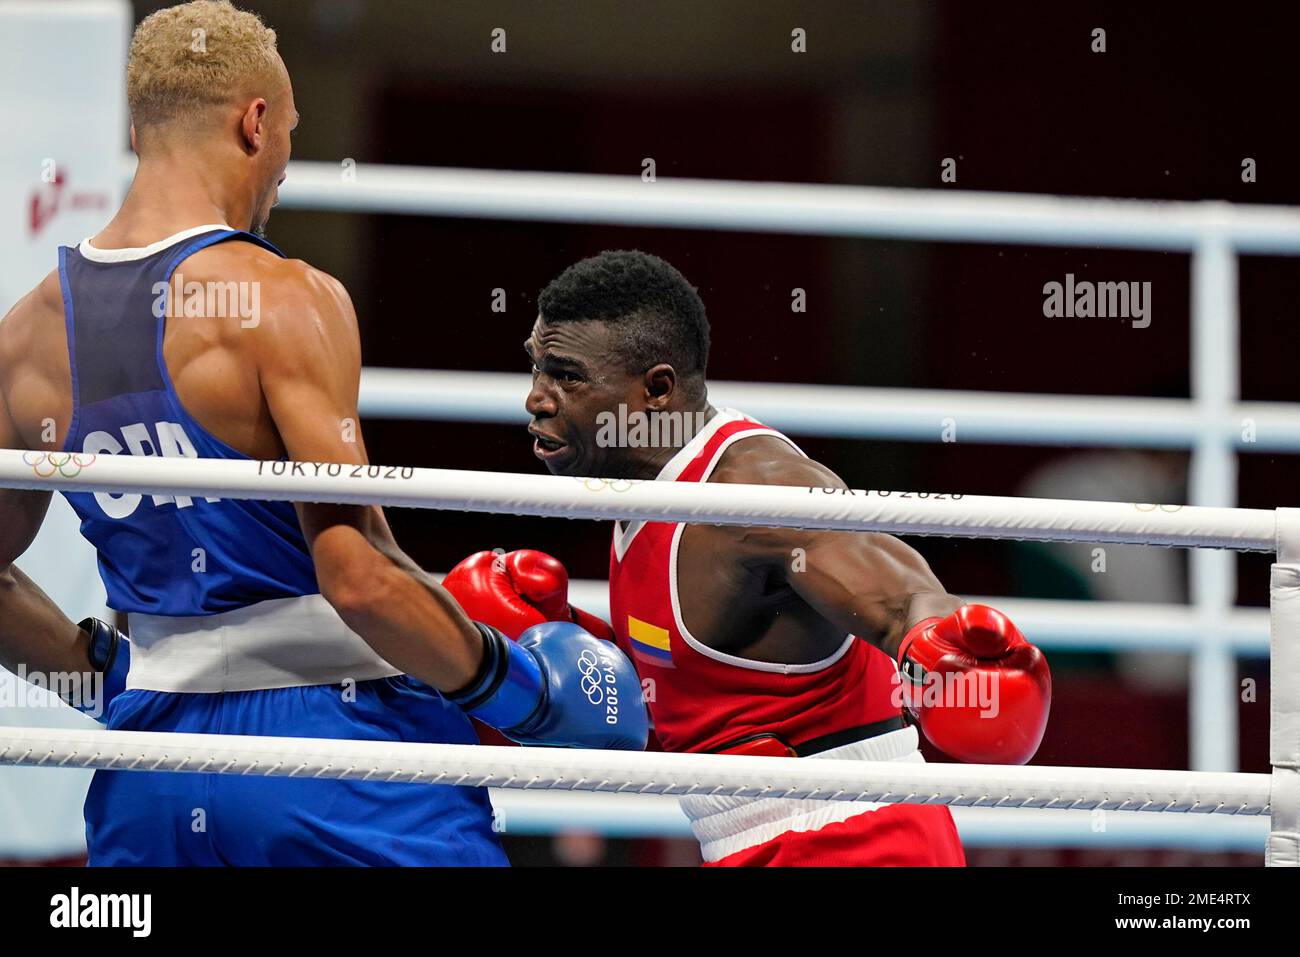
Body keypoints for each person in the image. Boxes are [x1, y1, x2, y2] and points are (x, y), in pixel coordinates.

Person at [0, 1, 644, 866]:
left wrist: (106, 678)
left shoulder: (25, 337)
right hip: (335, 753)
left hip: (148, 769)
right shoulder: (285, 298)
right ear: (254, 122)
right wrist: (519, 688)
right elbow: (358, 577)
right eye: (292, 136)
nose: (286, 169)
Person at [444, 249, 1052, 866]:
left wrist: (939, 647)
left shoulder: (753, 490)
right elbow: (693, 697)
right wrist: (571, 641)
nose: (536, 400)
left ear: (656, 390)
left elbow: (890, 591)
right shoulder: (643, 484)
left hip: (856, 841)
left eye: (567, 377)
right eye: (536, 369)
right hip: (753, 842)